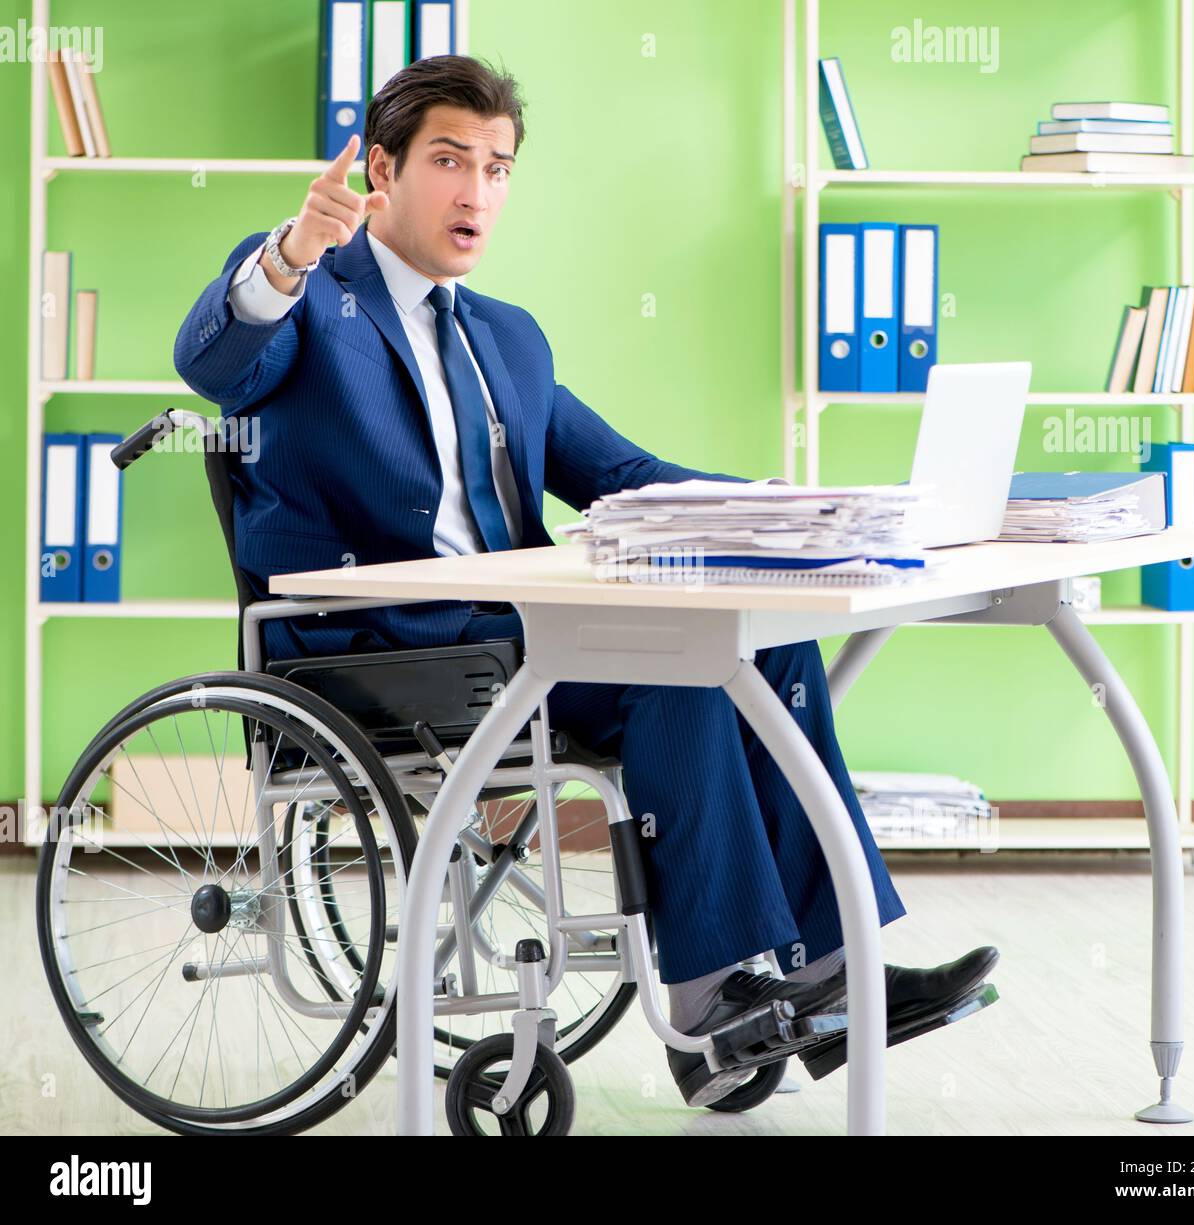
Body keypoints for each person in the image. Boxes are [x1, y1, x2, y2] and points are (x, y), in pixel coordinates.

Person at [174, 55, 998, 1107]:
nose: (477, 192)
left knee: (759, 639)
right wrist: (292, 251)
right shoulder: (306, 294)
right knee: (679, 664)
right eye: (448, 161)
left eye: (498, 167)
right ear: (380, 168)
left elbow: (622, 476)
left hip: (509, 642)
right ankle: (710, 1006)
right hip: (375, 655)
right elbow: (209, 362)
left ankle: (830, 980)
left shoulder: (505, 338)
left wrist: (808, 511)